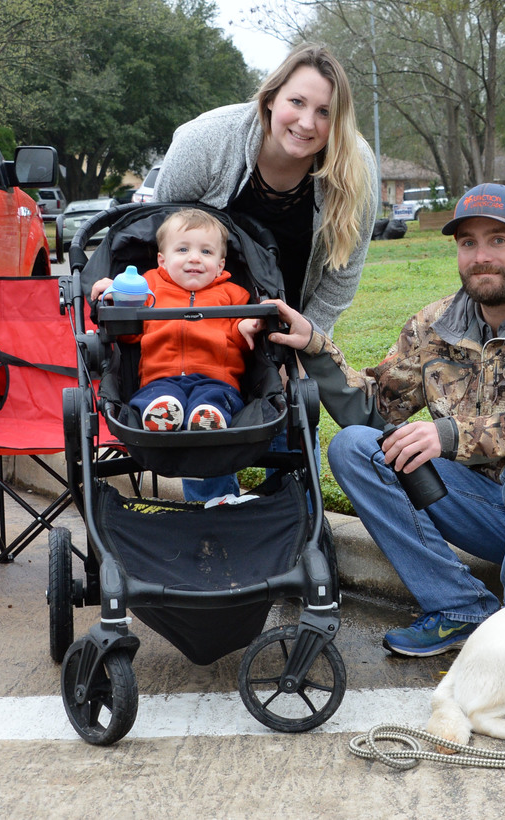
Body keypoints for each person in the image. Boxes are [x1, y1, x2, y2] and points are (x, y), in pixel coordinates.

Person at [266, 183, 505, 658]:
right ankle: (459, 607)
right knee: (356, 448)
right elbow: (374, 410)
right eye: (468, 242)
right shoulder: (435, 325)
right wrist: (315, 348)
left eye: (498, 240)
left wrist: (451, 435)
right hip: (487, 509)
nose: (481, 257)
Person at [154, 42, 378, 498]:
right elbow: (157, 236)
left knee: (292, 429)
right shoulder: (205, 143)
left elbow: (340, 277)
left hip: (284, 324)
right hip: (200, 321)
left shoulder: (357, 168)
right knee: (202, 421)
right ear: (271, 97)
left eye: (324, 112)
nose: (307, 122)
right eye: (297, 102)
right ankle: (212, 520)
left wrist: (301, 349)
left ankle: (292, 522)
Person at [91, 208, 262, 431]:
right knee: (155, 396)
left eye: (206, 252)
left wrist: (245, 326)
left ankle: (207, 417)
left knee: (217, 396)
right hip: (160, 376)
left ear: (220, 266)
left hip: (216, 378)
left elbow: (242, 342)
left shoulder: (233, 295)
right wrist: (120, 298)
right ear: (162, 261)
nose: (194, 258)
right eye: (183, 249)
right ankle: (162, 415)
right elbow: (130, 335)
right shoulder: (148, 287)